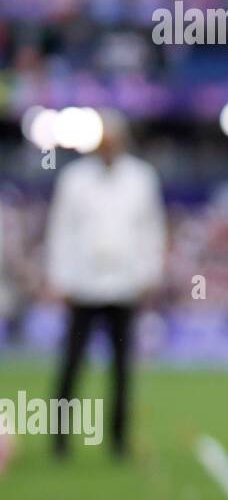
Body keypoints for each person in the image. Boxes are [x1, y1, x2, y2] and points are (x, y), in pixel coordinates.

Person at [45, 109, 166, 460]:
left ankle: (118, 440)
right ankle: (59, 439)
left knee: (122, 369)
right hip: (82, 284)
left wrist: (149, 274)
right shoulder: (74, 179)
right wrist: (60, 277)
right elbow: (61, 231)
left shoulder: (142, 178)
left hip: (125, 285)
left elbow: (151, 230)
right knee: (71, 364)